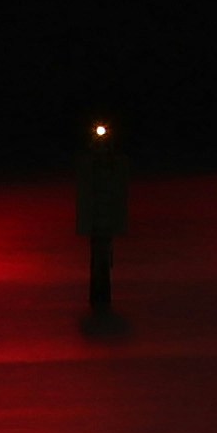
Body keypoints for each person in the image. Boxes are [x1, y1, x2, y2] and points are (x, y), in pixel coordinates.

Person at [73, 117, 131, 318]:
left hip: (104, 221)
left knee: (103, 262)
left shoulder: (114, 166)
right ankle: (99, 300)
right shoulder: (91, 166)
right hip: (97, 222)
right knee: (99, 261)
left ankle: (101, 300)